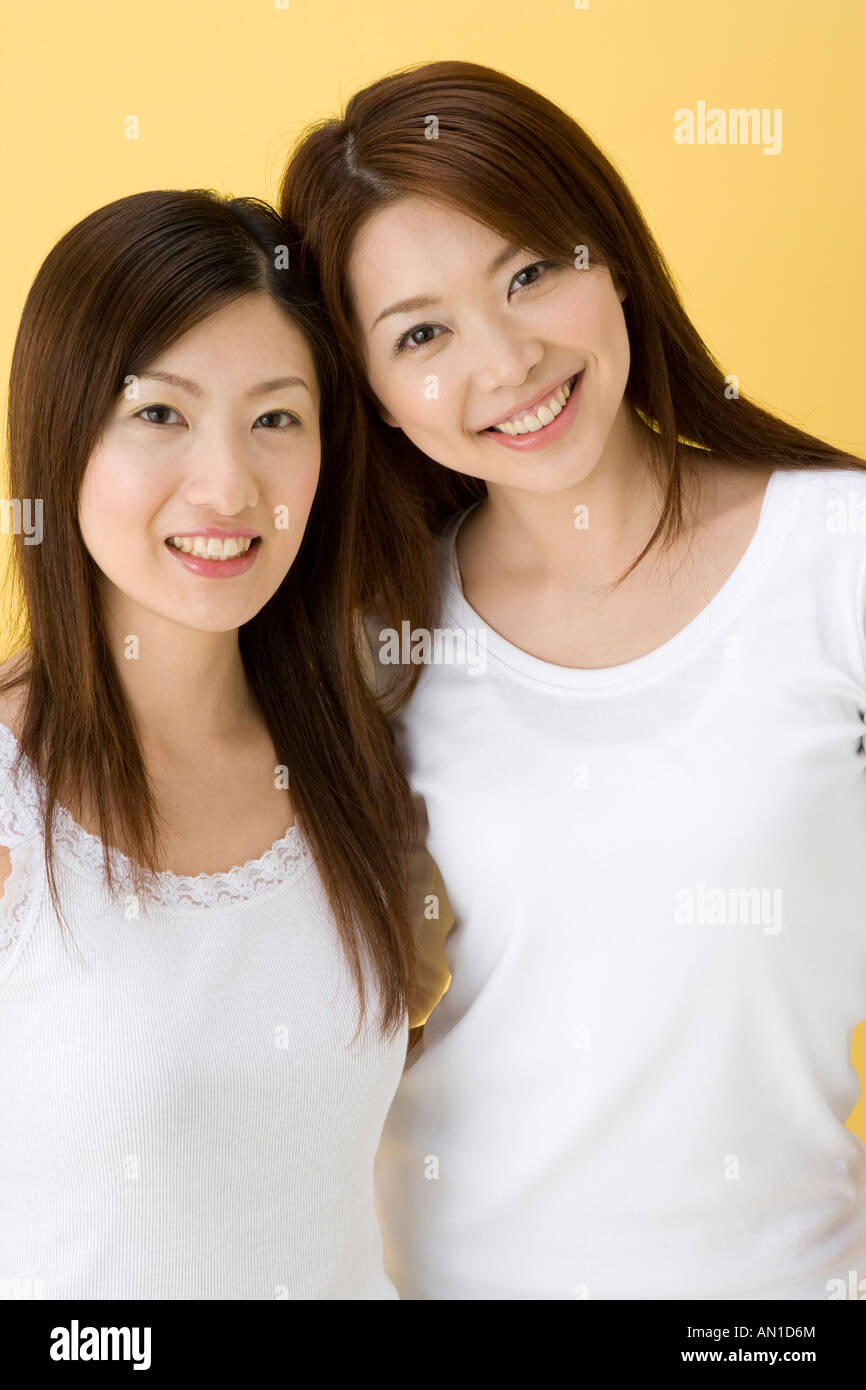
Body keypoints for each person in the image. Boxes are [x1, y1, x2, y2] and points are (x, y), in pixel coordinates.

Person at [279, 59, 866, 1299]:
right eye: (422, 333)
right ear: (371, 392)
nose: (505, 360)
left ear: (612, 258)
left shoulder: (834, 557)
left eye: (532, 271)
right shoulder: (376, 642)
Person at [0, 188, 429, 1299]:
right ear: (60, 430)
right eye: (159, 414)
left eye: (275, 417)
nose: (229, 486)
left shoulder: (359, 735)